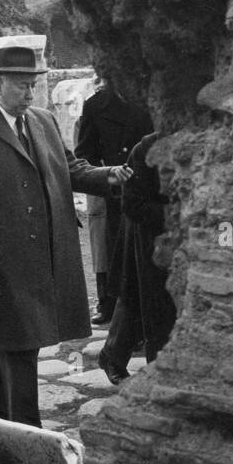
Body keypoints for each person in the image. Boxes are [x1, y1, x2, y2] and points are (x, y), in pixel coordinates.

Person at [0, 36, 131, 428]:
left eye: (33, 85)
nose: (30, 93)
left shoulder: (43, 121)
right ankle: (30, 436)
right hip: (1, 260)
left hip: (49, 253)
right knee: (20, 347)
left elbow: (71, 169)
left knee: (16, 345)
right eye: (21, 85)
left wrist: (109, 175)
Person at [98, 132, 177, 385]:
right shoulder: (145, 149)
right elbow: (132, 203)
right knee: (145, 300)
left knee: (136, 297)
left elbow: (226, 215)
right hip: (148, 239)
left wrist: (226, 247)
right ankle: (154, 372)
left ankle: (114, 355)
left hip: (184, 238)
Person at [75, 74, 153, 324]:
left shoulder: (148, 99)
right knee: (106, 246)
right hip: (110, 189)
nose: (30, 94)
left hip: (140, 187)